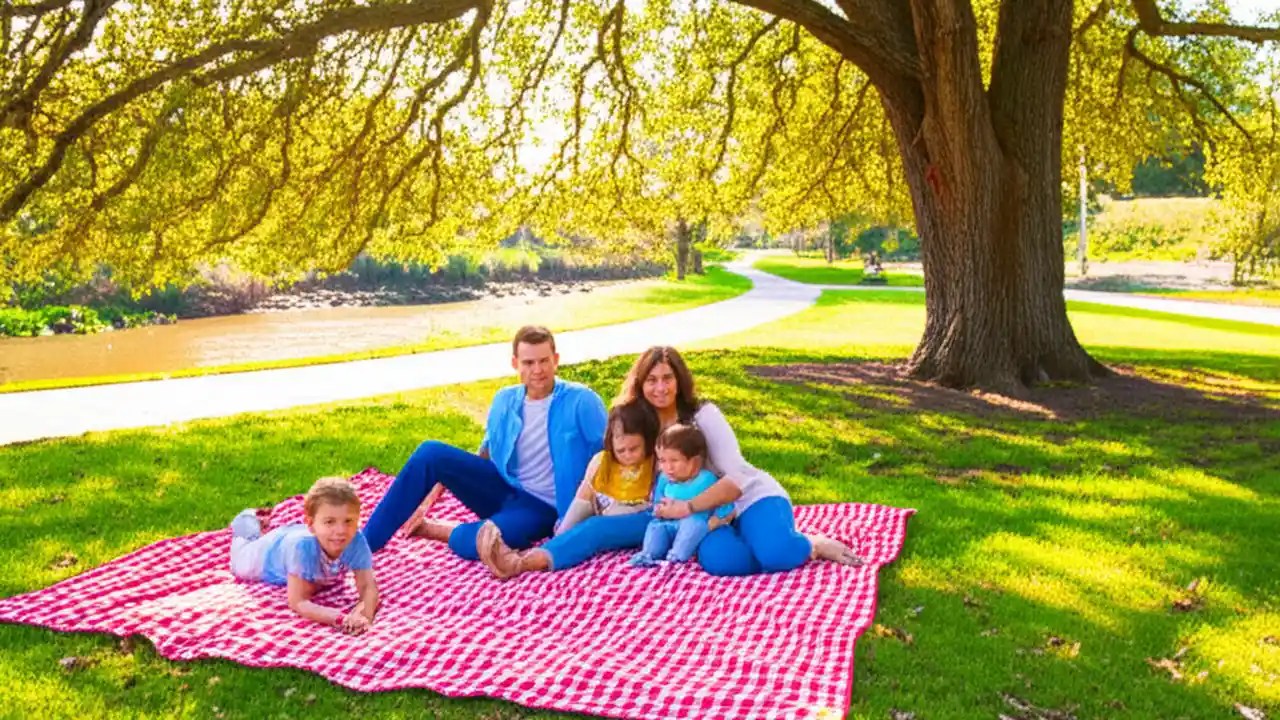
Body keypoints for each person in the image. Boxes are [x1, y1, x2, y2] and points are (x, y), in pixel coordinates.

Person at [484, 345, 862, 578]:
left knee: (777, 553)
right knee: (722, 563)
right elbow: (605, 465)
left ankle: (810, 544)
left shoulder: (703, 415)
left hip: (747, 498)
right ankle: (520, 562)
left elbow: (738, 478)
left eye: (667, 378)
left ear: (679, 381)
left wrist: (688, 506)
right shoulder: (636, 421)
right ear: (640, 383)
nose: (660, 387)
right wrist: (575, 517)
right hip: (684, 516)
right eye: (651, 379)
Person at [361, 325, 607, 579]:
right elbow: (485, 454)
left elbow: (609, 455)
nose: (538, 370)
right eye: (529, 362)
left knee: (482, 541)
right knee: (430, 452)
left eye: (544, 361)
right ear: (515, 363)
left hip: (543, 507)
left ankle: (439, 530)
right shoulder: (504, 399)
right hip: (504, 487)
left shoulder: (582, 401)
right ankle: (364, 545)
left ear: (556, 360)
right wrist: (428, 501)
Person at [229, 476, 378, 634]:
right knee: (241, 555)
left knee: (314, 580)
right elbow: (298, 601)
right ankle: (247, 518)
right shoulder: (302, 548)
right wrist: (341, 618)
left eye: (348, 521)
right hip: (266, 554)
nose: (341, 530)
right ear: (311, 525)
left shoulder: (355, 539)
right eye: (330, 522)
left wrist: (363, 617)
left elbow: (368, 587)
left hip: (294, 538)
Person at [628, 424, 732, 566]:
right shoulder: (664, 479)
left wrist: (717, 519)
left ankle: (676, 556)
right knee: (655, 527)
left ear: (694, 462)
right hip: (668, 522)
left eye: (674, 461)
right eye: (662, 461)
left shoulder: (706, 479)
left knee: (694, 525)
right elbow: (658, 501)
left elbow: (724, 501)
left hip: (692, 522)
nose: (668, 468)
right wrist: (659, 510)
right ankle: (648, 554)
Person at [557, 403, 659, 535]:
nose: (627, 456)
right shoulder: (601, 461)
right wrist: (564, 530)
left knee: (613, 515)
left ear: (647, 441)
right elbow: (584, 497)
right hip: (601, 515)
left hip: (632, 519)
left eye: (634, 449)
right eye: (621, 450)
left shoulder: (655, 463)